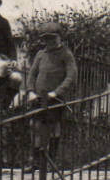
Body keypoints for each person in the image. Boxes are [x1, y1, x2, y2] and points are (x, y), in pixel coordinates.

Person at [24, 22, 77, 161]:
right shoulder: (40, 54)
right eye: (46, 38)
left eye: (53, 38)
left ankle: (51, 161)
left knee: (54, 128)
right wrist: (30, 91)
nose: (50, 41)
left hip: (54, 98)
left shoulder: (66, 54)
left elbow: (71, 76)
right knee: (36, 127)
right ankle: (35, 161)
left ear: (60, 37)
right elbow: (32, 74)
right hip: (38, 97)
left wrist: (57, 92)